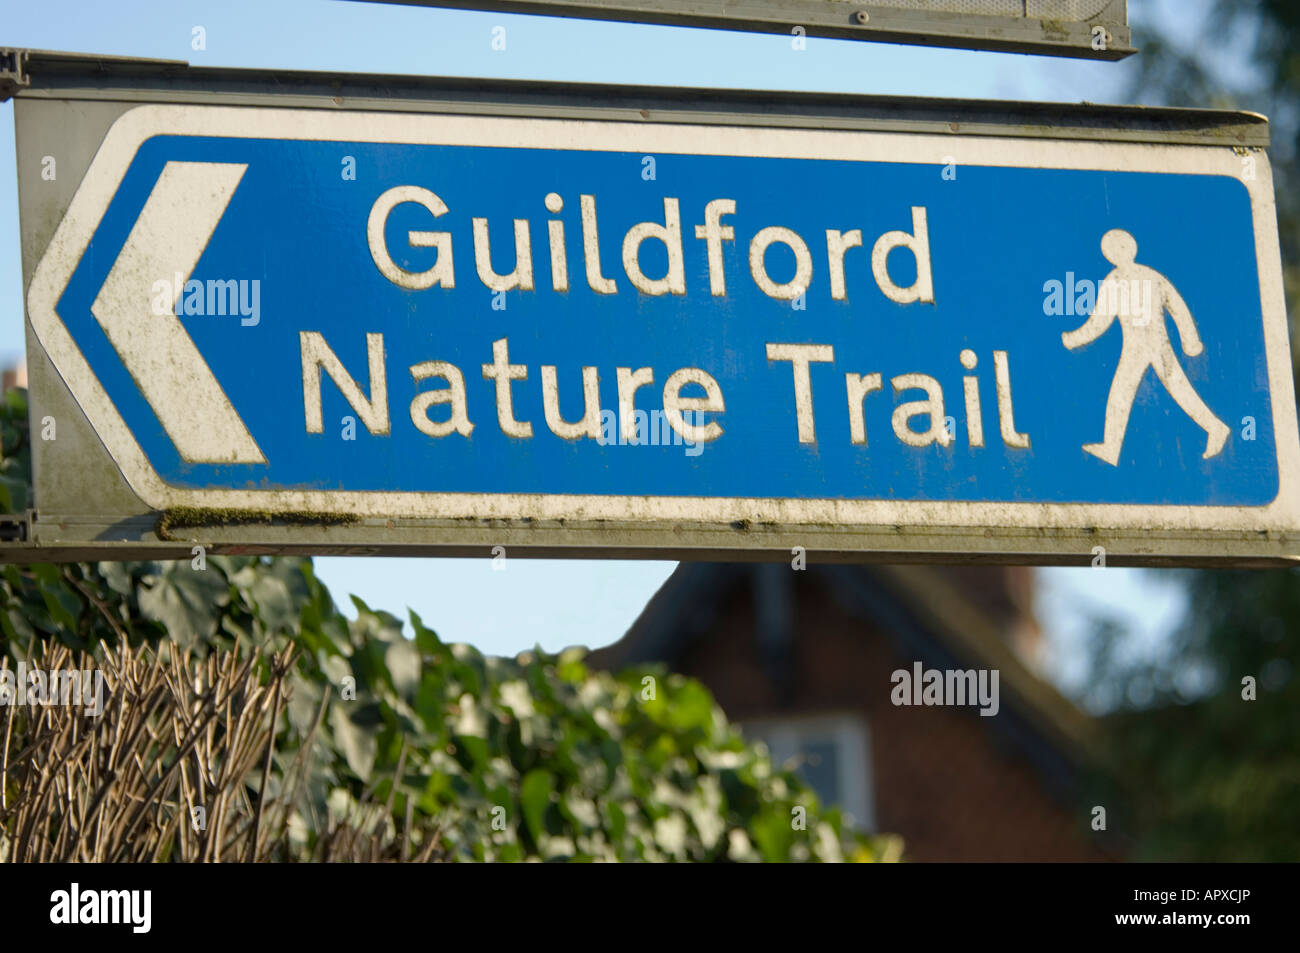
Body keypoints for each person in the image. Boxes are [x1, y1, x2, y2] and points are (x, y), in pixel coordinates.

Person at [1061, 228, 1229, 465]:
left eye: (1118, 248)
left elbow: (1176, 306)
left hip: (1154, 343)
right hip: (1136, 346)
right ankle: (1111, 446)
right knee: (1124, 391)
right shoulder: (1121, 280)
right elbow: (1100, 320)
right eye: (1111, 250)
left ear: (1130, 248)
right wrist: (1075, 338)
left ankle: (1215, 428)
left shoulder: (1133, 279)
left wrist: (1190, 340)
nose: (1115, 254)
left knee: (1173, 389)